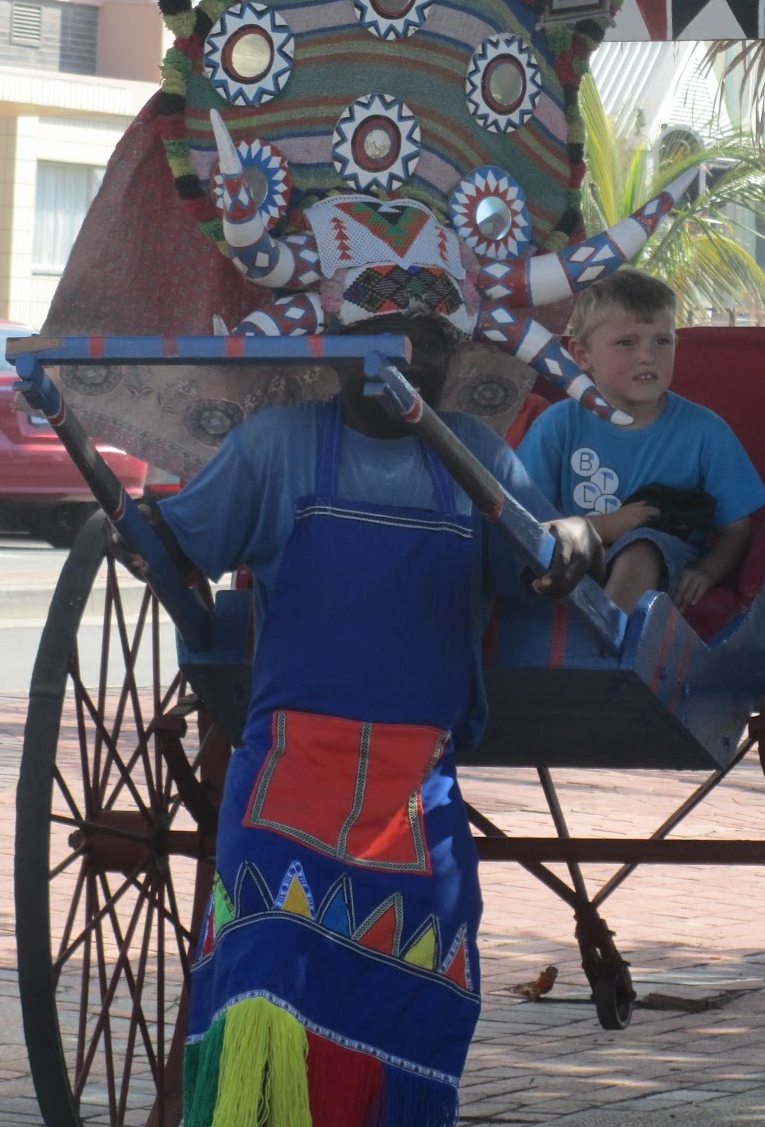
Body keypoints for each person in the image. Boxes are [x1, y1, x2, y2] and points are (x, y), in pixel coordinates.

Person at [148, 314, 601, 1127]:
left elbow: (539, 556)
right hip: (283, 772)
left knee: (412, 992)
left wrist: (577, 536)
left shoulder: (478, 456)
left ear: (450, 359)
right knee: (262, 966)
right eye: (376, 330)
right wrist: (133, 527)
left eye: (424, 338)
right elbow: (176, 546)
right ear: (331, 339)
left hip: (412, 786)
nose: (400, 354)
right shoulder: (274, 446)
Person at [517, 269, 765, 616]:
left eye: (661, 341)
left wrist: (708, 571)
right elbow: (526, 523)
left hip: (664, 562)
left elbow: (737, 528)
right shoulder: (557, 426)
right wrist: (608, 526)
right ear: (582, 354)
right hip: (573, 557)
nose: (647, 356)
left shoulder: (706, 431)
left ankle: (606, 657)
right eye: (626, 342)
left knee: (641, 546)